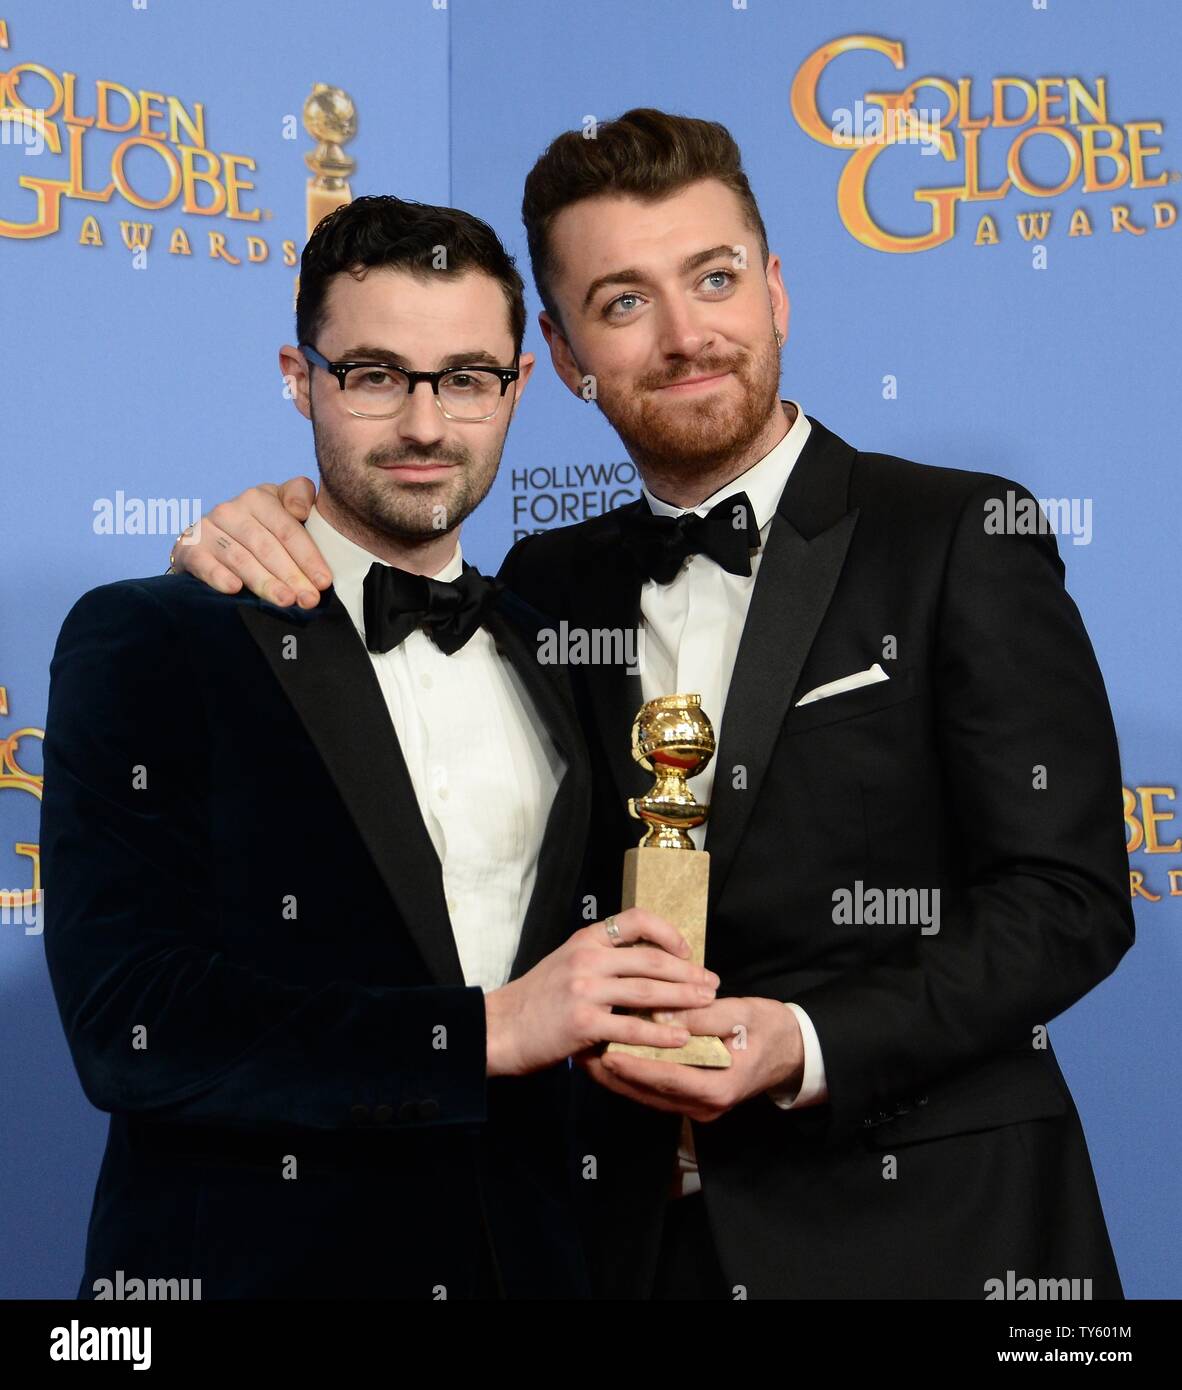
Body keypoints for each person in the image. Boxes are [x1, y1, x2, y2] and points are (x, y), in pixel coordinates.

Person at [169, 111, 1134, 1300]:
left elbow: (1070, 899)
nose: (687, 337)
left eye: (715, 279)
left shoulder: (958, 534)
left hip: (930, 1237)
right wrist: (263, 531)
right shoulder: (540, 587)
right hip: (619, 1249)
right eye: (624, 303)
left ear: (776, 290)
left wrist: (804, 1043)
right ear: (566, 359)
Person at [39, 194, 719, 1301]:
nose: (423, 425)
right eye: (373, 374)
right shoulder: (158, 636)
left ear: (519, 386)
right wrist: (484, 1031)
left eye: (463, 378)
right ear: (299, 377)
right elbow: (132, 1022)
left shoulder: (574, 649)